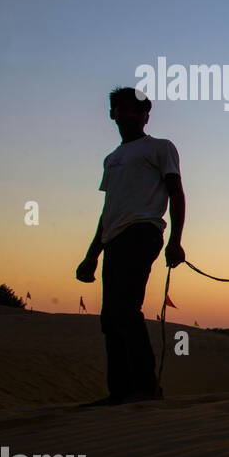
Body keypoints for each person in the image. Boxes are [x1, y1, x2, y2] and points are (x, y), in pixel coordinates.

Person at [76, 87, 186, 404]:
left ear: (145, 116)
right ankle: (120, 391)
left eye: (134, 111)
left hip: (143, 231)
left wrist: (176, 241)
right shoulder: (112, 159)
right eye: (121, 109)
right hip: (114, 238)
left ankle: (144, 389)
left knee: (125, 310)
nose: (127, 115)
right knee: (110, 317)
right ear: (113, 114)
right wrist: (90, 255)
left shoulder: (160, 148)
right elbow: (108, 210)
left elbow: (176, 193)